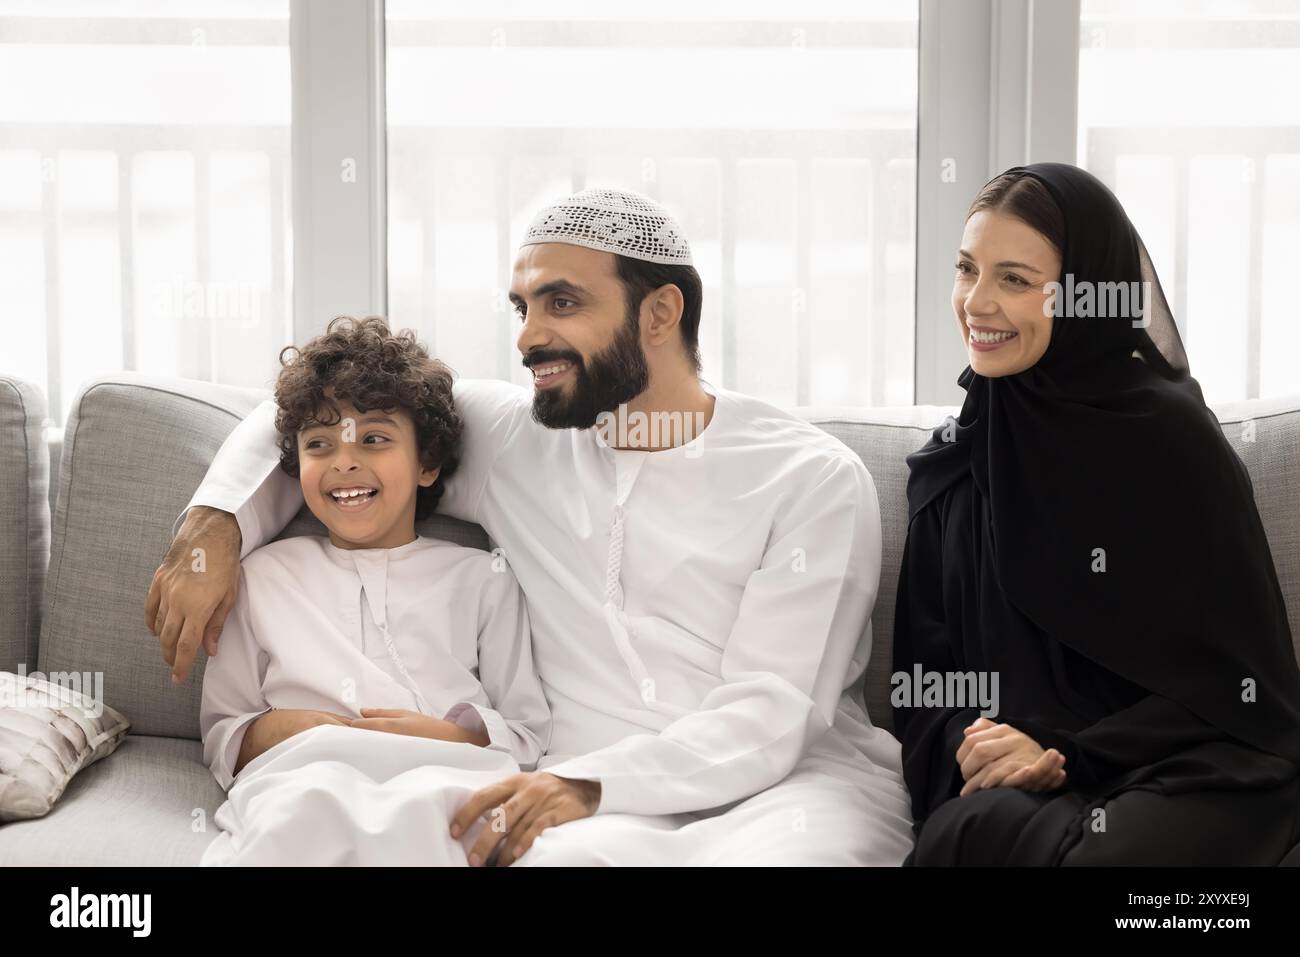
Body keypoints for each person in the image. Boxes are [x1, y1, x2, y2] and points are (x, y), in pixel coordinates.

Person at [148, 188, 914, 866]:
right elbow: (326, 407)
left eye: (562, 303)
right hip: (577, 802)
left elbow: (772, 713)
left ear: (660, 312)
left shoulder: (812, 478)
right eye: (522, 308)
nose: (526, 339)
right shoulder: (523, 437)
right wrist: (212, 528)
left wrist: (586, 782)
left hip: (781, 797)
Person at [892, 162, 1300, 865]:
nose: (976, 302)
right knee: (960, 837)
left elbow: (1243, 688)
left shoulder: (1171, 442)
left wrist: (1069, 750)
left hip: (1183, 765)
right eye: (967, 269)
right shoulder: (957, 461)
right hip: (1022, 781)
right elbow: (924, 683)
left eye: (1014, 279)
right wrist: (983, 743)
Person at [198, 316, 551, 864]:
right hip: (304, 773)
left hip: (446, 773)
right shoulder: (260, 576)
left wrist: (449, 737)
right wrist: (270, 731)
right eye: (319, 444)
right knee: (301, 813)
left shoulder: (484, 578)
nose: (344, 460)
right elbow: (222, 727)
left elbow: (527, 733)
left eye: (374, 438)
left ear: (427, 463)